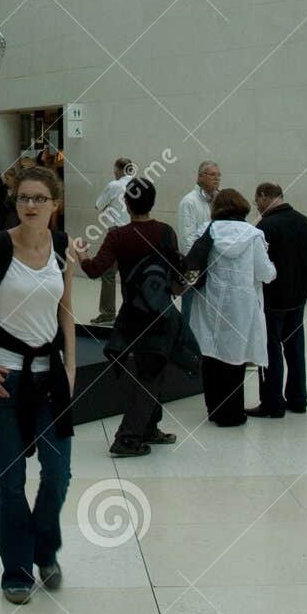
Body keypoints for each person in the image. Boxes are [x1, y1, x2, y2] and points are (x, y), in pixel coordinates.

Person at [0, 166, 75, 604]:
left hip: (50, 377)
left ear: (54, 204)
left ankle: (44, 548)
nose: (29, 205)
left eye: (39, 198)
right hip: (5, 379)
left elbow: (66, 311)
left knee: (59, 474)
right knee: (11, 479)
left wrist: (72, 368)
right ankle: (17, 568)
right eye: (24, 197)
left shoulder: (63, 248)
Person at [72, 176, 184, 456]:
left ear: (126, 202)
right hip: (160, 312)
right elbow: (177, 273)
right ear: (153, 201)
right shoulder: (166, 232)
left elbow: (95, 269)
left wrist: (81, 255)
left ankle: (148, 428)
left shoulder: (117, 235)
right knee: (151, 373)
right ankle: (127, 438)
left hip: (132, 314)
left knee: (151, 371)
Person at [186, 188, 275, 427]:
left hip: (210, 301)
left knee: (211, 353)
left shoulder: (206, 231)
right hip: (241, 305)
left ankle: (214, 409)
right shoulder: (254, 235)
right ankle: (232, 413)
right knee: (235, 359)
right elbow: (265, 273)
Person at [250, 183, 307, 416]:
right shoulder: (304, 221)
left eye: (257, 200)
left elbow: (262, 266)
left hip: (274, 299)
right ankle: (298, 399)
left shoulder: (266, 226)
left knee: (271, 350)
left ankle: (273, 402)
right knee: (296, 349)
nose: (256, 205)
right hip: (298, 297)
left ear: (265, 196)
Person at [177, 161, 220, 327]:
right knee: (190, 306)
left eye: (219, 175)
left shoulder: (220, 199)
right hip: (193, 265)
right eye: (212, 175)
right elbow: (186, 239)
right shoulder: (189, 201)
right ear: (200, 176)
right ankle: (185, 345)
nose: (217, 179)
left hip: (214, 263)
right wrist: (196, 266)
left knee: (208, 311)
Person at [93, 157, 135, 324]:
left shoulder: (114, 185)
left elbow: (98, 205)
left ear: (118, 169)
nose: (114, 172)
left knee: (108, 274)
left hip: (117, 233)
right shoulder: (139, 183)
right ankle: (131, 314)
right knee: (131, 274)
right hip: (135, 232)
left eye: (114, 169)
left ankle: (108, 313)